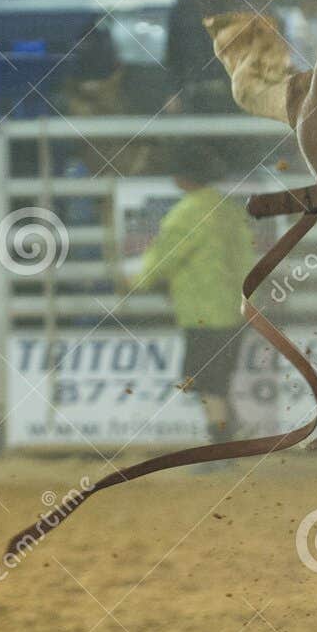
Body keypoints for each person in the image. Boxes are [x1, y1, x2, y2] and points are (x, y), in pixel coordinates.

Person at [127, 144, 254, 446]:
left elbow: (162, 259)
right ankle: (231, 433)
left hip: (202, 314)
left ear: (180, 179)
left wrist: (138, 280)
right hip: (236, 310)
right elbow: (246, 256)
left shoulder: (185, 214)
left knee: (211, 385)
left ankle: (221, 443)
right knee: (218, 381)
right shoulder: (229, 209)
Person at [164, 0, 258, 114]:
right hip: (193, 98)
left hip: (238, 99)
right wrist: (172, 92)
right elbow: (173, 56)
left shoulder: (248, 6)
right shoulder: (182, 10)